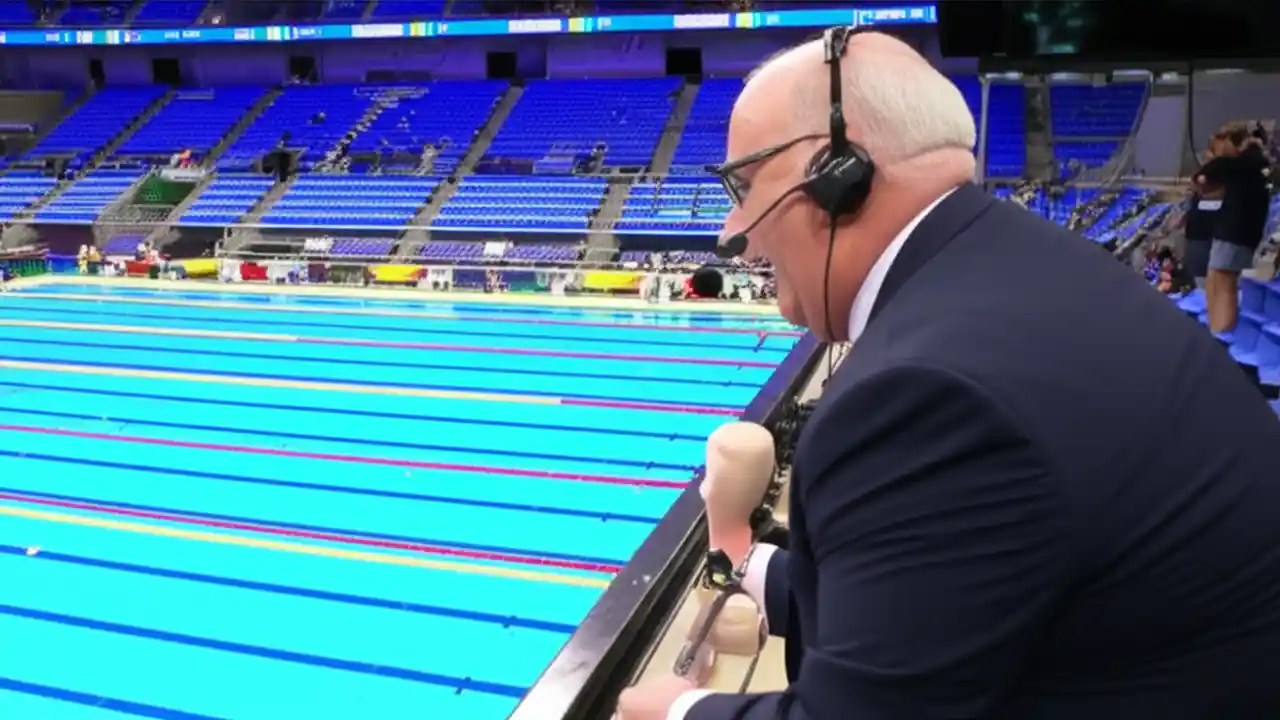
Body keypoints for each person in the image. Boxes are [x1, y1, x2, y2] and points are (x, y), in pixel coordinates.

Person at [617, 29, 1280, 720]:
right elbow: (951, 588)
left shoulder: (924, 396)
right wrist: (745, 558)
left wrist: (680, 710)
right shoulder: (1020, 265)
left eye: (745, 186)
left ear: (836, 175)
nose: (736, 232)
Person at [1194, 124, 1271, 333]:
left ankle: (1222, 331)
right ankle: (1216, 328)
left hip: (1235, 232)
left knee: (1224, 278)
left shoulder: (1236, 164)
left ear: (1230, 141)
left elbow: (1202, 179)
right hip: (1235, 230)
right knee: (1216, 277)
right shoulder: (1252, 166)